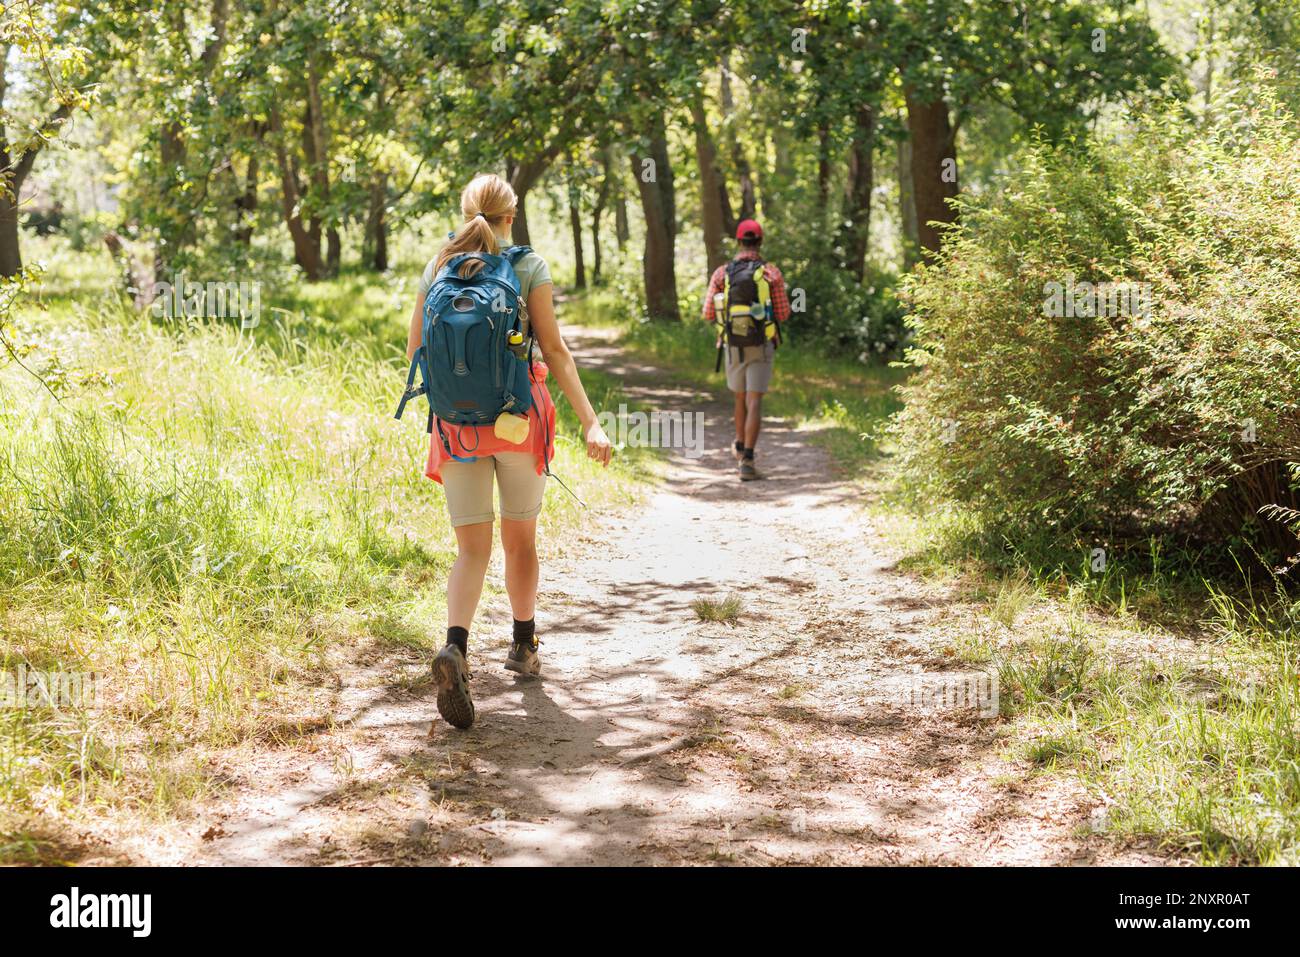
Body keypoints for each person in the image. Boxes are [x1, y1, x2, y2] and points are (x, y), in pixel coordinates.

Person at [406, 173, 612, 730]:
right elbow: (558, 351)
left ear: (465, 211)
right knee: (520, 541)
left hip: (455, 432)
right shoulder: (527, 266)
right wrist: (591, 424)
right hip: (519, 424)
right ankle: (523, 645)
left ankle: (456, 647)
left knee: (471, 549)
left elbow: (416, 353)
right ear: (510, 215)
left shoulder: (437, 267)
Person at [701, 219, 790, 480]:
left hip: (732, 345)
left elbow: (708, 312)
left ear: (739, 241)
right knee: (754, 400)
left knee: (739, 398)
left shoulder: (722, 273)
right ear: (760, 242)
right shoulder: (771, 273)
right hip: (762, 345)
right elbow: (783, 314)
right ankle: (748, 460)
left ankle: (739, 447)